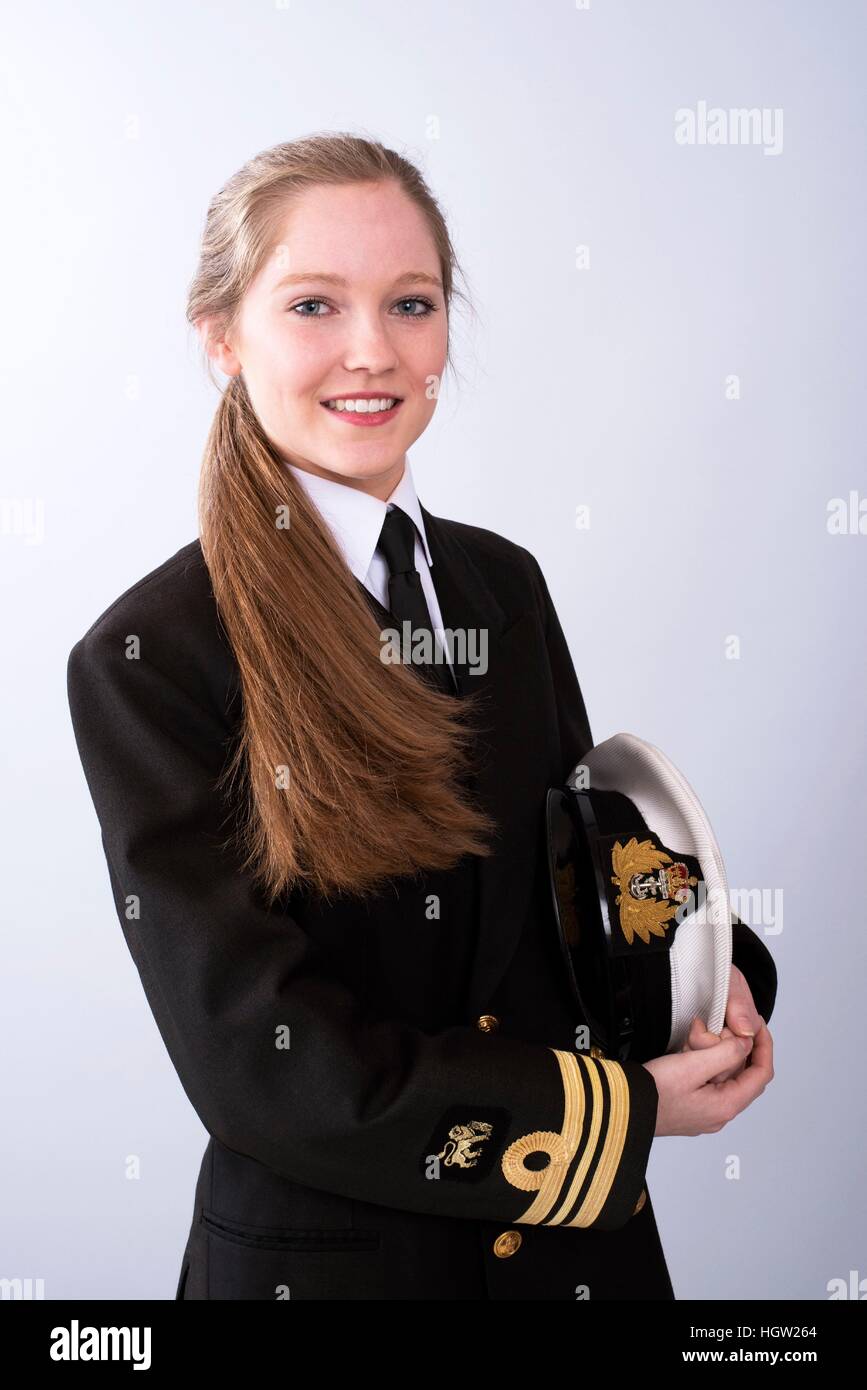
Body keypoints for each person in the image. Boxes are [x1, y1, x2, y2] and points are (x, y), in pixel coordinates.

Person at [66, 133, 776, 1301]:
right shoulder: (152, 655)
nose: (372, 351)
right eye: (312, 304)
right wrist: (616, 1117)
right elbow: (260, 1063)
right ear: (220, 335)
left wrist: (704, 978)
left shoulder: (505, 583)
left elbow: (571, 893)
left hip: (573, 1270)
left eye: (412, 303)